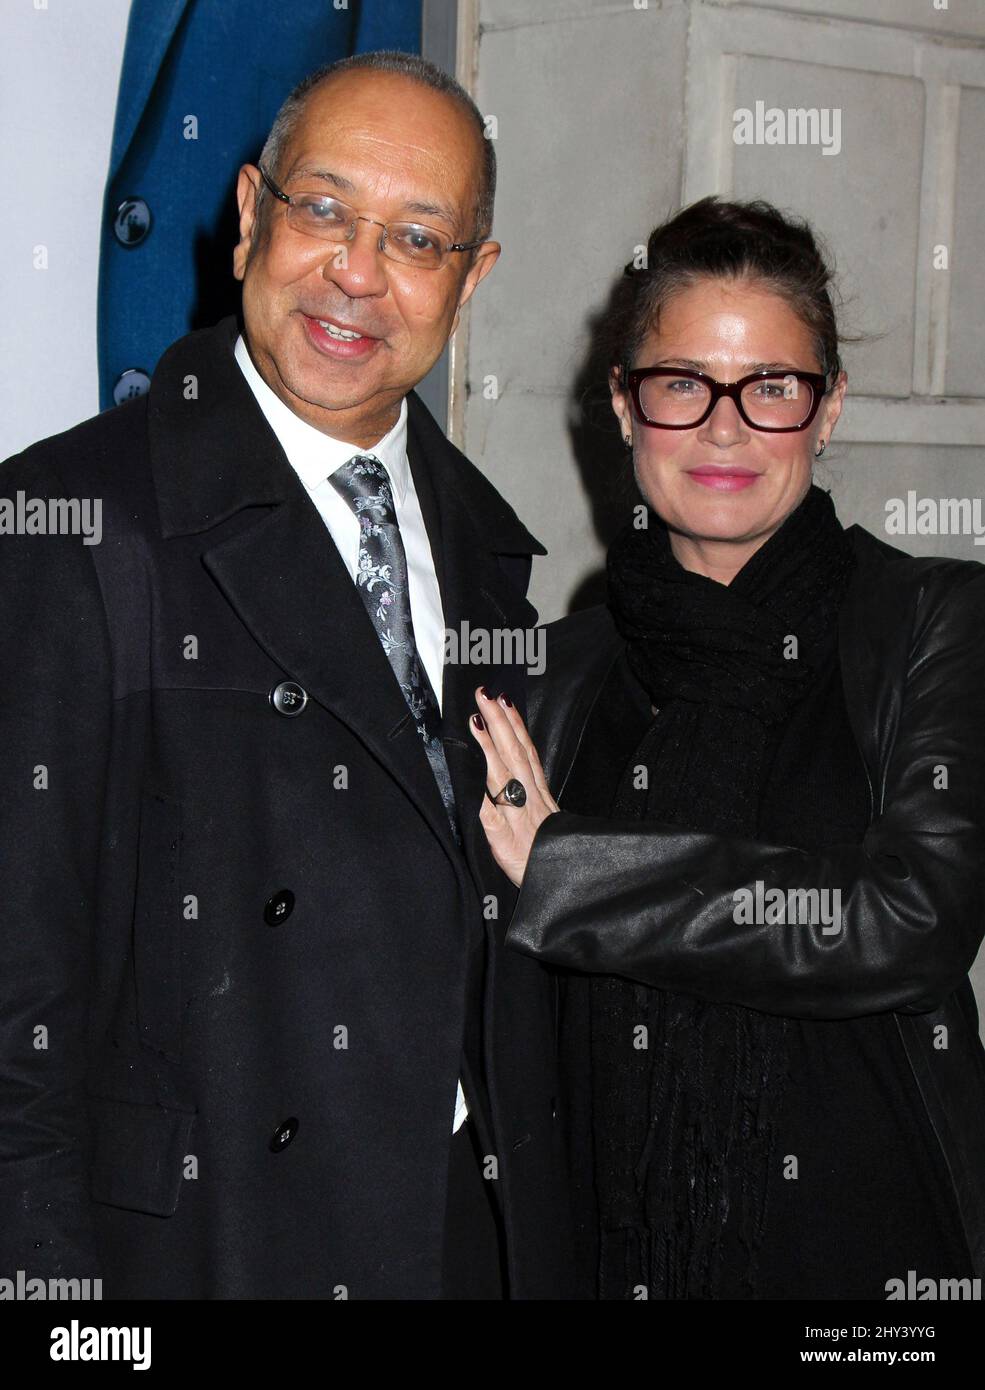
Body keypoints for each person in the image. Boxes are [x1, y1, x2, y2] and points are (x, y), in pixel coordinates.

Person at [0, 52, 573, 1300]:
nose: (356, 273)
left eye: (416, 238)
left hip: (458, 1247)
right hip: (210, 1256)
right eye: (323, 209)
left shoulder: (493, 551)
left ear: (470, 277)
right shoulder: (68, 520)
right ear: (250, 213)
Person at [469, 197, 985, 1300]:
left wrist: (578, 872)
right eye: (680, 384)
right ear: (621, 404)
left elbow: (907, 919)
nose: (724, 427)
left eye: (772, 388)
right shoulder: (553, 677)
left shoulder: (928, 621)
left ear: (828, 407)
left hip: (869, 1265)